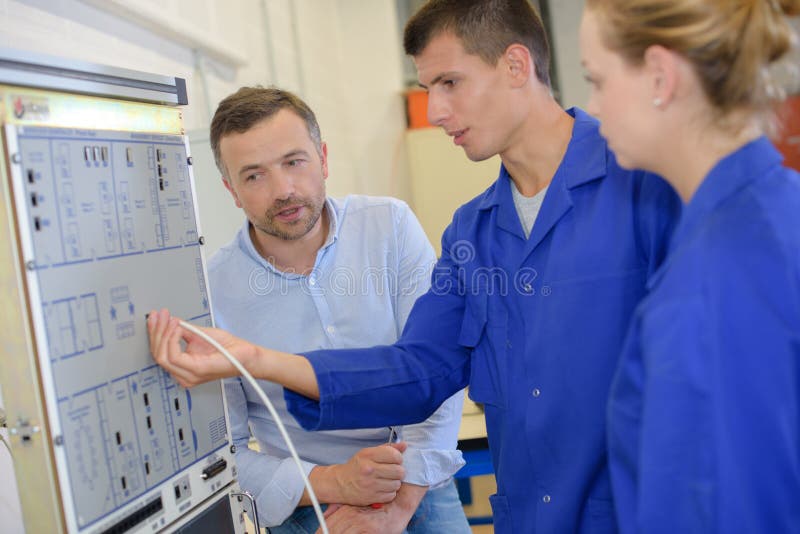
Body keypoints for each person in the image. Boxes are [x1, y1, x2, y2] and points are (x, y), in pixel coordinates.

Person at [148, 1, 680, 531]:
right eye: (430, 90)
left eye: (450, 83)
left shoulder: (646, 184)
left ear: (516, 66)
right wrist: (255, 359)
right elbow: (418, 371)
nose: (437, 112)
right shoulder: (472, 232)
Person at [200, 86, 470, 533]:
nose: (283, 190)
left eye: (294, 162)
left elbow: (438, 372)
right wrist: (334, 482)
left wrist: (399, 506)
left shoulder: (390, 226)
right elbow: (220, 453)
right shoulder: (212, 291)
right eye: (254, 176)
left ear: (323, 158)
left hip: (415, 482)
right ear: (231, 190)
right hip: (303, 501)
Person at [579, 1, 800, 532]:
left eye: (597, 80)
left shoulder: (708, 289)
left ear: (660, 75)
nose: (591, 106)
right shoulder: (779, 208)